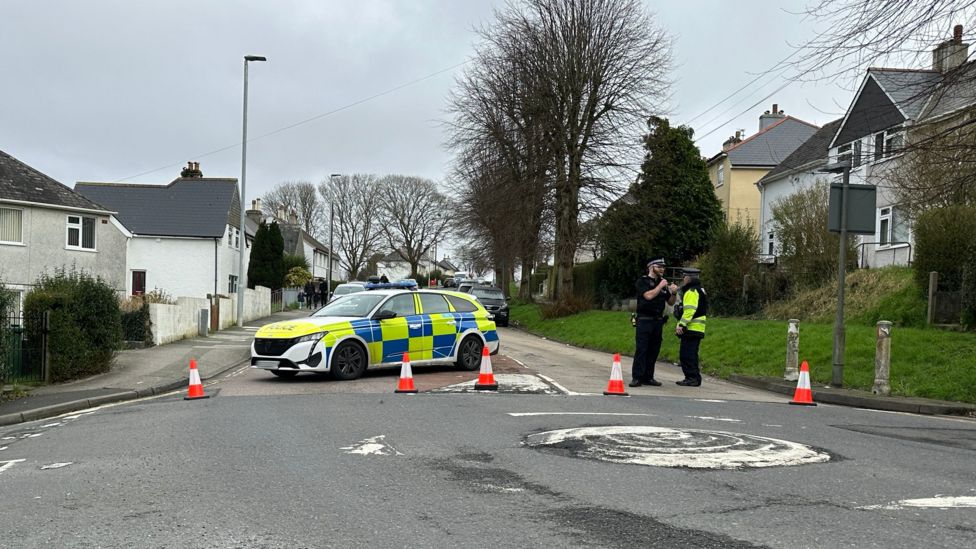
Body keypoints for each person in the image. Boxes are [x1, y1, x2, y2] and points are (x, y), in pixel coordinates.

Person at [629, 258, 677, 387]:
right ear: (651, 267)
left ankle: (648, 377)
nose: (662, 269)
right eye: (659, 266)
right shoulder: (642, 281)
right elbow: (648, 296)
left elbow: (670, 302)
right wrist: (660, 286)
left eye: (663, 267)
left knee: (654, 350)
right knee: (642, 349)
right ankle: (637, 377)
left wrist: (674, 293)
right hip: (645, 320)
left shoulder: (663, 283)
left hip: (658, 321)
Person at [674, 267, 708, 387]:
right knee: (691, 354)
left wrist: (681, 324)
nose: (683, 279)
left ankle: (692, 378)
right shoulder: (700, 290)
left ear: (688, 278)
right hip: (697, 328)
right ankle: (694, 378)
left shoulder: (691, 291)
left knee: (687, 354)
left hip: (691, 327)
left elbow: (689, 311)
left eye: (684, 277)